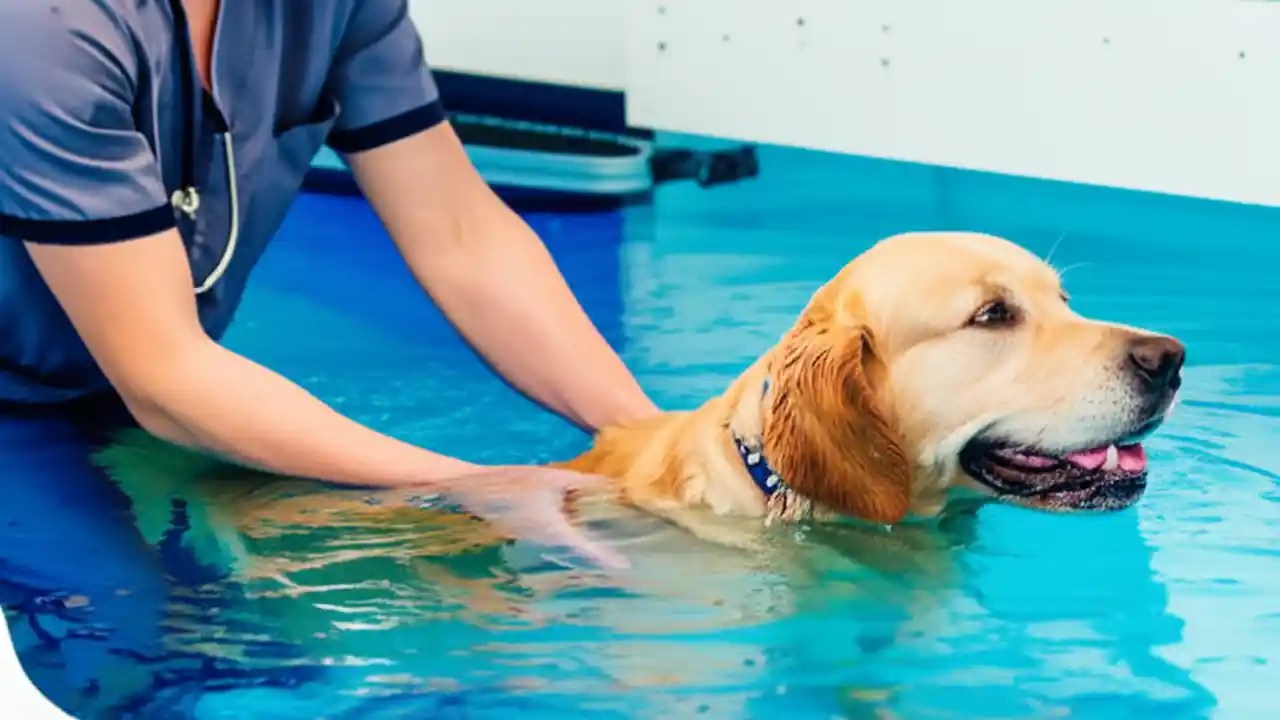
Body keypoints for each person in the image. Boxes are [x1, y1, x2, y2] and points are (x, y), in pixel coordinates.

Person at [0, 0, 658, 566]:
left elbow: (460, 234)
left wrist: (653, 440)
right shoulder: (39, 31)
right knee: (124, 654)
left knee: (285, 643)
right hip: (64, 393)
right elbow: (165, 375)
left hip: (130, 388)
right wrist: (471, 485)